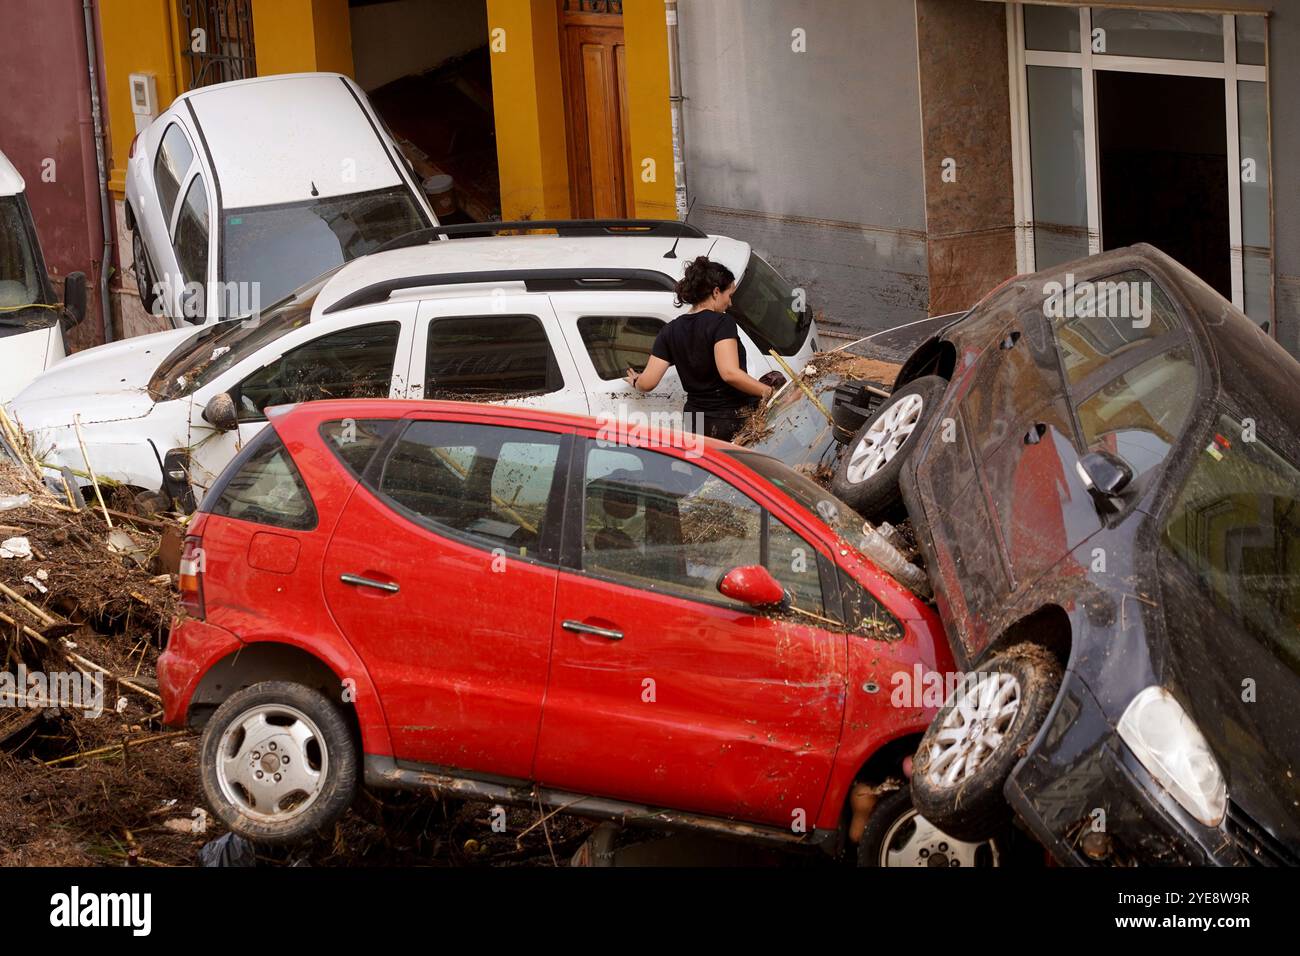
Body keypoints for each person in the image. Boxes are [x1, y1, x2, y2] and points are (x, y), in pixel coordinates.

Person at [625, 256, 781, 441]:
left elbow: (648, 382)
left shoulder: (670, 330)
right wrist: (773, 395)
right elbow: (729, 373)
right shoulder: (721, 323)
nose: (730, 303)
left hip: (695, 421)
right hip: (729, 418)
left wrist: (636, 381)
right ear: (716, 292)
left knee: (702, 469)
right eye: (729, 296)